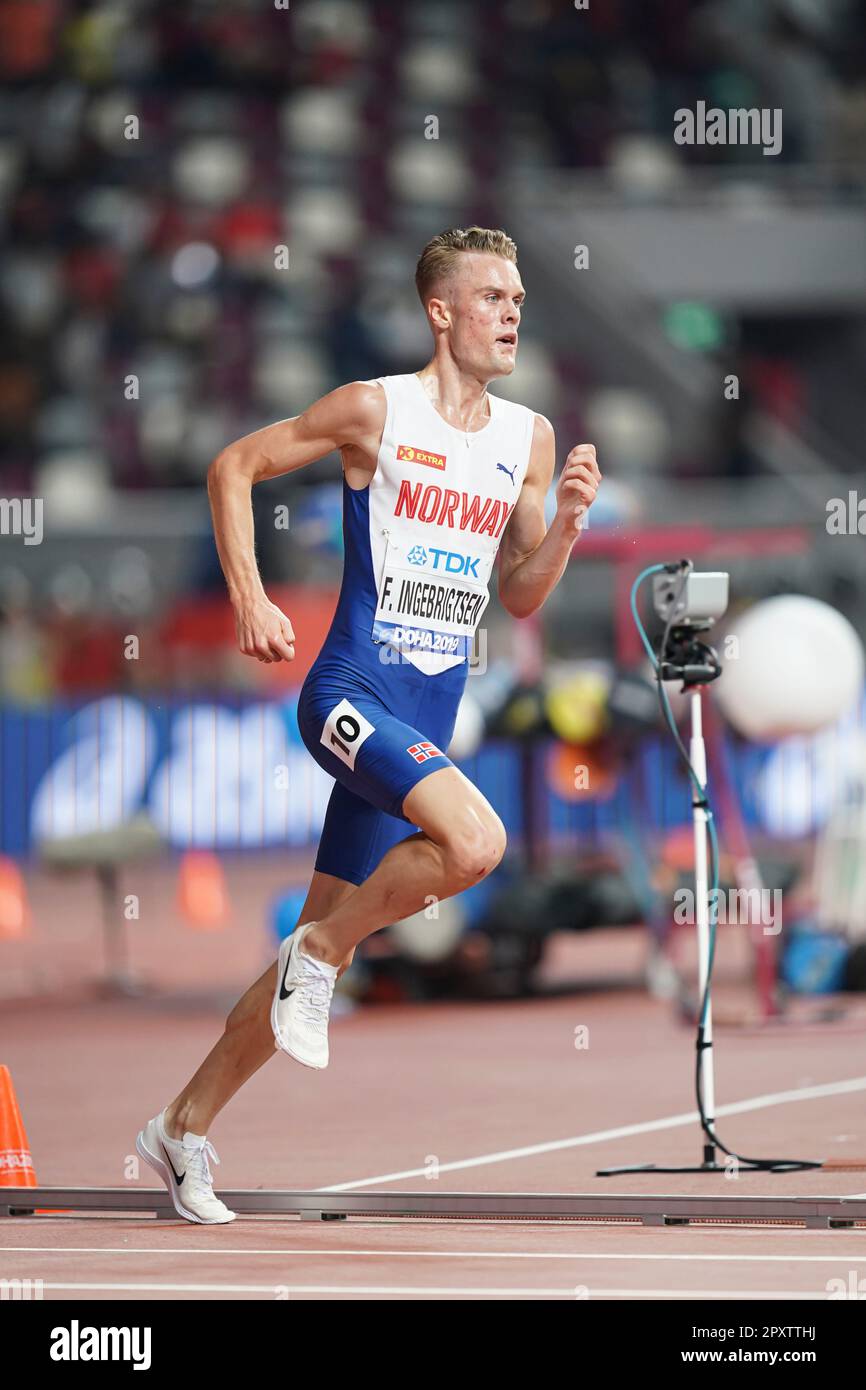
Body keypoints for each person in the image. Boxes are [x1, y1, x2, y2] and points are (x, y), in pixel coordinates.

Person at [135, 227, 602, 1223]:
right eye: (490, 296)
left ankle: (181, 1127)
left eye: (518, 297)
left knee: (313, 932)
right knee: (475, 843)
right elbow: (231, 466)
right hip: (348, 691)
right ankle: (325, 957)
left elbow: (517, 598)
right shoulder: (373, 411)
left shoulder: (527, 439)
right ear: (440, 311)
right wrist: (250, 600)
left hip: (427, 706)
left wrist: (561, 525)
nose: (512, 312)